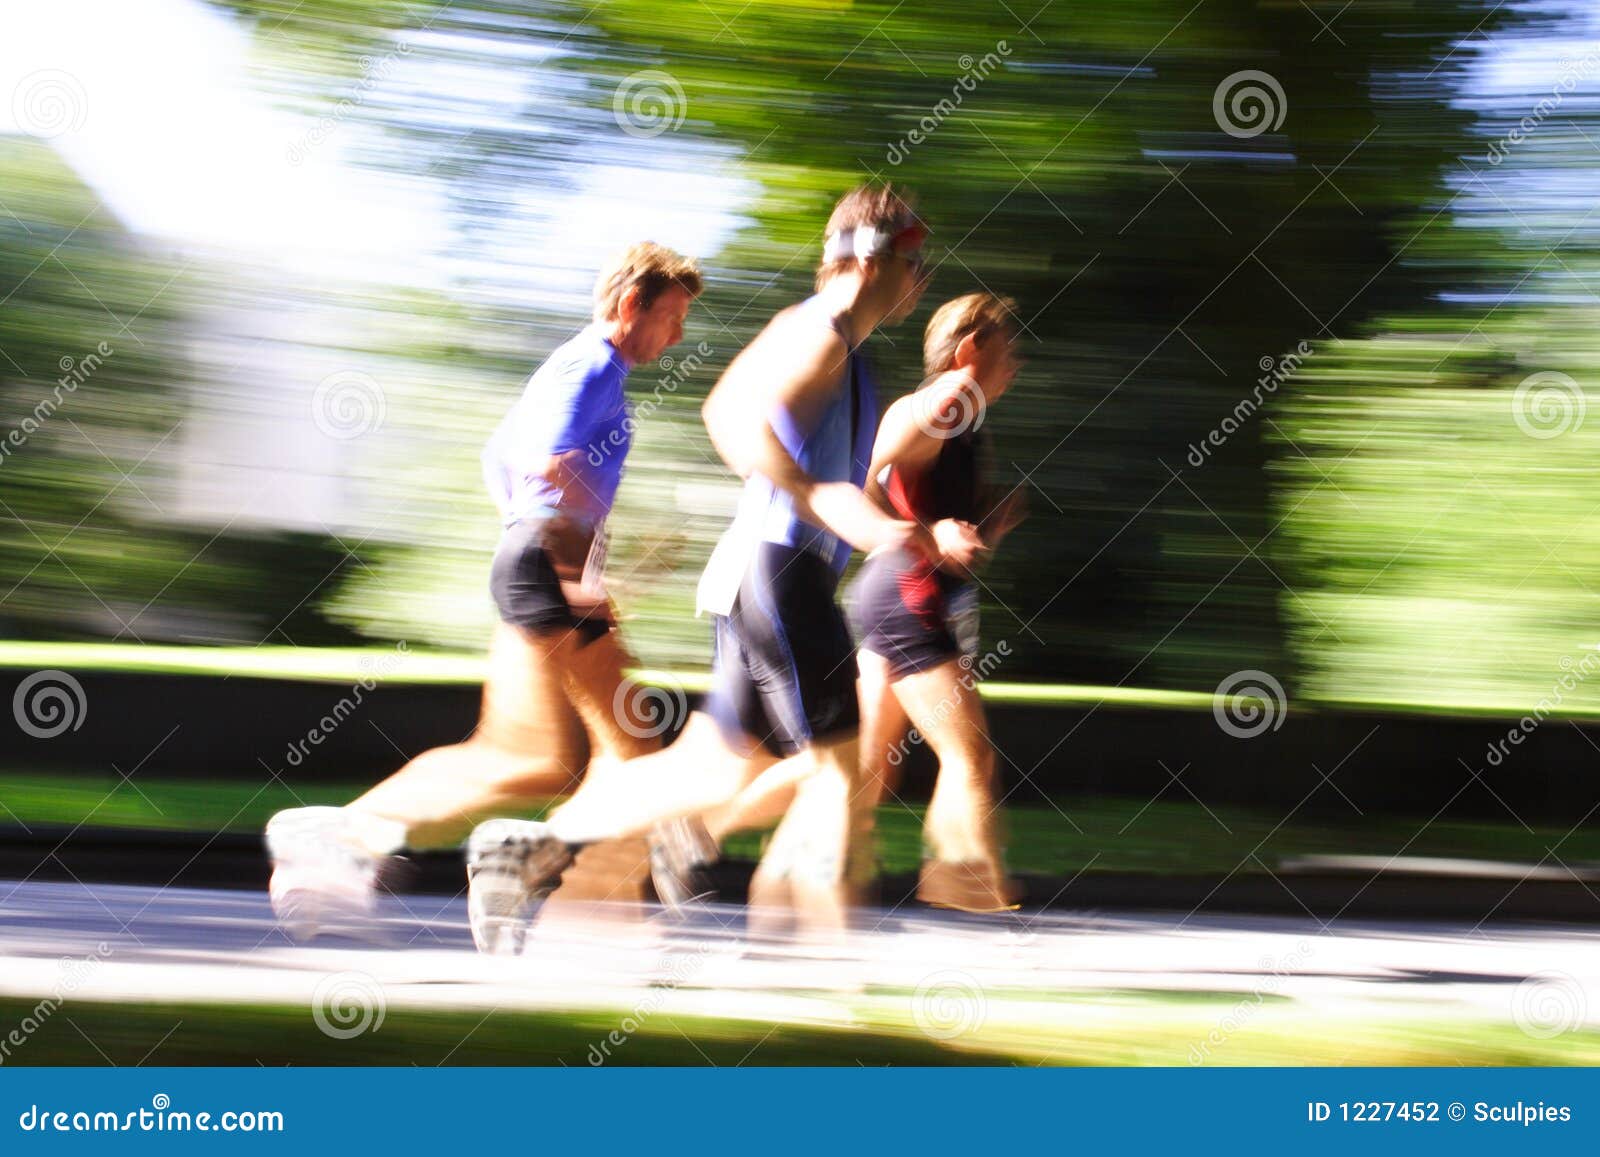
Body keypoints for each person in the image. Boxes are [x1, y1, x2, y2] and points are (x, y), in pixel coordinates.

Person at [464, 184, 963, 947]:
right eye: (912, 256)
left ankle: (529, 845)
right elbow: (730, 414)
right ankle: (827, 979)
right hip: (781, 572)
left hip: (763, 573)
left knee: (716, 770)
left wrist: (899, 528)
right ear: (869, 257)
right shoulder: (822, 330)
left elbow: (828, 473)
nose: (920, 276)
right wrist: (811, 495)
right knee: (842, 772)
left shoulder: (839, 345)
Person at [264, 243, 703, 945]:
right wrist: (575, 563)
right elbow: (541, 466)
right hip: (546, 564)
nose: (679, 335)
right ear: (631, 307)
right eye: (674, 317)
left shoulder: (574, 366)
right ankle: (585, 916)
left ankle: (348, 835)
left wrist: (553, 540)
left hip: (530, 558)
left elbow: (498, 456)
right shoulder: (594, 366)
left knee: (538, 756)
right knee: (623, 748)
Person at [849, 292, 1027, 912]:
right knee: (969, 754)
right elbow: (863, 483)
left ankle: (720, 835)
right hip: (906, 597)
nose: (1017, 364)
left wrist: (983, 525)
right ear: (970, 346)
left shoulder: (963, 418)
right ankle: (970, 893)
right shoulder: (946, 400)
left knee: (868, 768)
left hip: (890, 595)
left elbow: (911, 496)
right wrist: (931, 535)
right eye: (1009, 350)